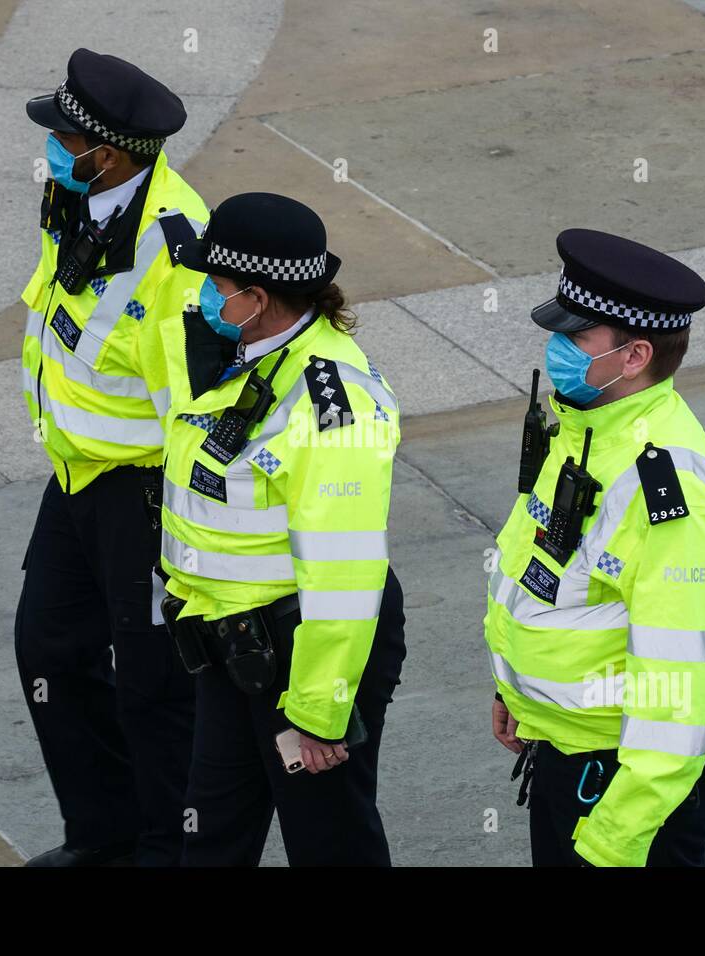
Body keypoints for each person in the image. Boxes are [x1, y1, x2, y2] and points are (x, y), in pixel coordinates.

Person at [155, 192, 406, 866]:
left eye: (219, 285)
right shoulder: (239, 352)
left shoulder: (334, 404)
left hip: (305, 649)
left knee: (329, 843)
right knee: (210, 836)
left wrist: (319, 709)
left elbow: (345, 571)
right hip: (230, 642)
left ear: (258, 297)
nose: (207, 295)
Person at [486, 228, 705, 867]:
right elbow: (542, 572)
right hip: (564, 749)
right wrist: (514, 692)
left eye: (577, 337)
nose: (557, 346)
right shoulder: (584, 424)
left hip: (622, 786)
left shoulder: (668, 489)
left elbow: (680, 679)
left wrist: (616, 834)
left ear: (634, 356)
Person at [14, 48, 208, 866]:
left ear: (114, 152)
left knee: (154, 688)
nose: (53, 148)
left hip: (143, 495)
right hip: (76, 477)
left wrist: (181, 536)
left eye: (66, 137)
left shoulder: (178, 249)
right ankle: (103, 838)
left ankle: (170, 851)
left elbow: (193, 407)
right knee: (49, 652)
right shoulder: (75, 194)